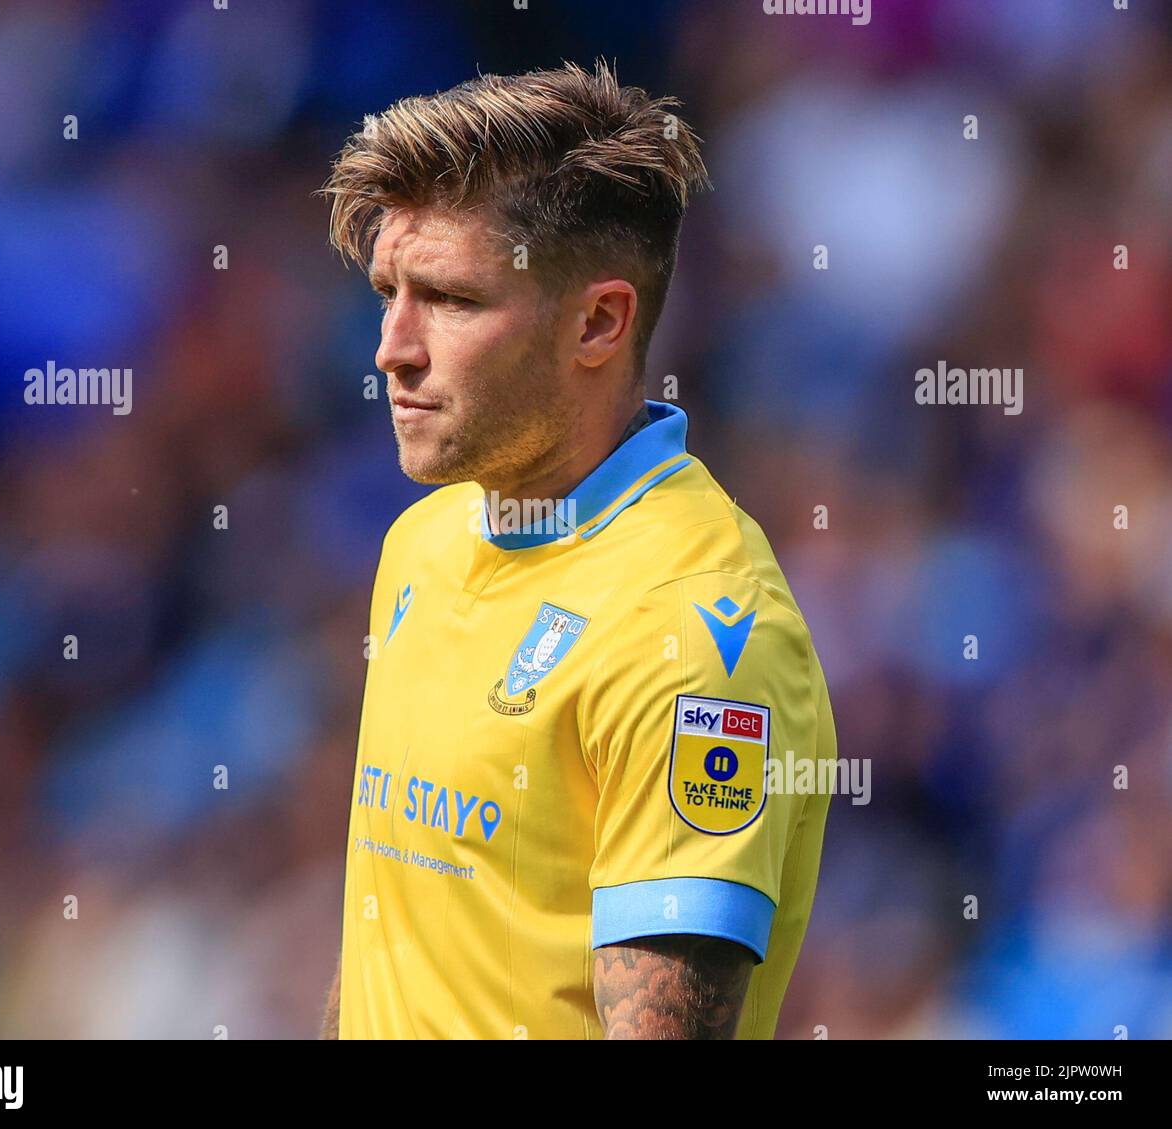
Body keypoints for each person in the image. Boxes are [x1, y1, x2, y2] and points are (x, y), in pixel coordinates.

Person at [317, 59, 835, 1039]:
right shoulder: (421, 541)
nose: (392, 346)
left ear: (598, 321)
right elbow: (402, 940)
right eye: (388, 290)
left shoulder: (694, 636)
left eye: (451, 299)